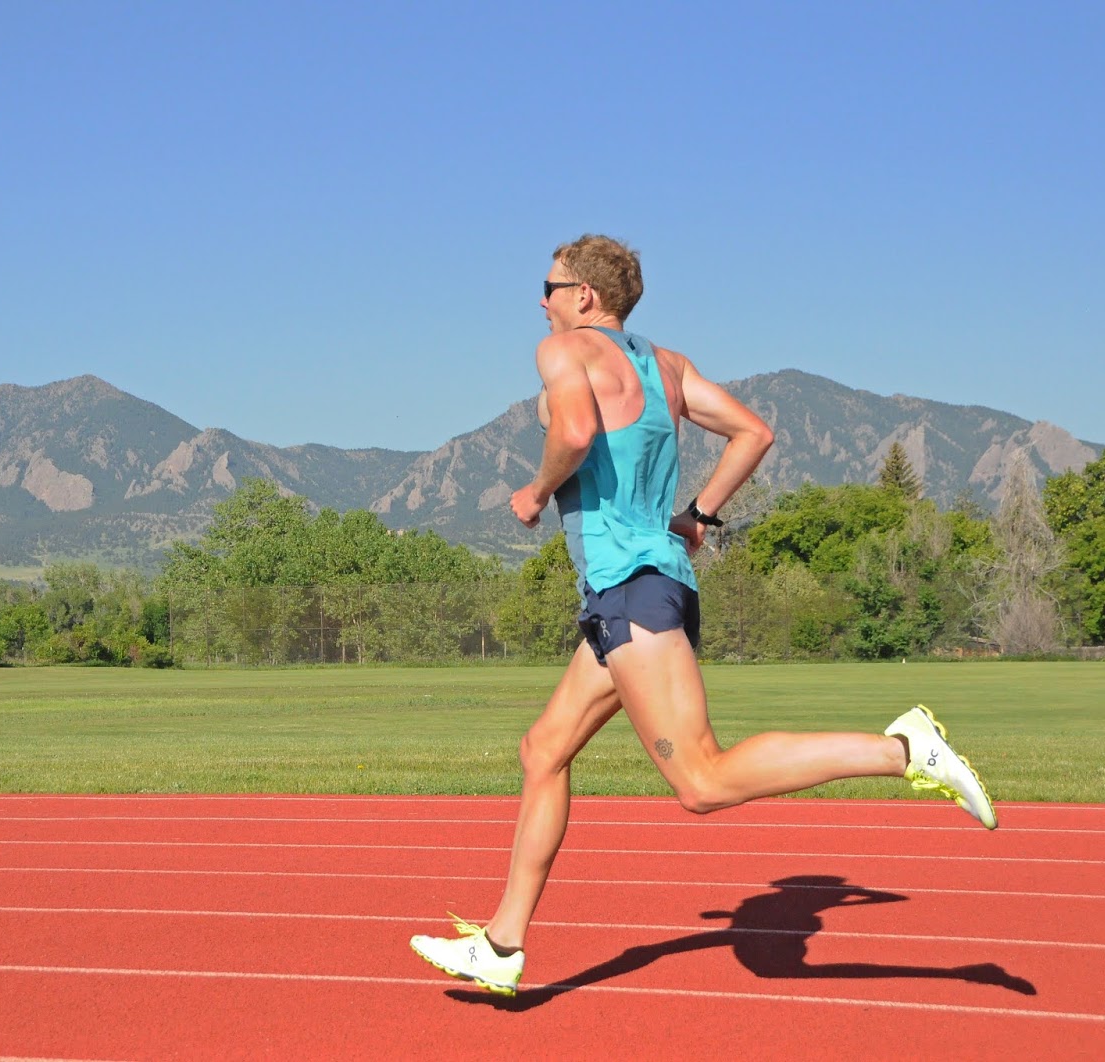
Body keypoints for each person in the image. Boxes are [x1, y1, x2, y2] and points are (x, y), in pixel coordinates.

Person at [409, 234, 997, 997]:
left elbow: (578, 432)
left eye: (548, 286)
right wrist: (698, 515)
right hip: (647, 585)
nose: (541, 301)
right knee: (543, 751)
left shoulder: (563, 353)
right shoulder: (667, 366)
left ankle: (901, 750)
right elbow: (755, 431)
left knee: (701, 782)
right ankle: (502, 944)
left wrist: (533, 490)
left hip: (631, 587)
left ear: (584, 295)